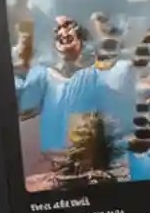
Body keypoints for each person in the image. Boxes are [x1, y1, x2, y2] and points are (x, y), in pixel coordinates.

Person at [16, 16, 106, 155]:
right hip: (53, 159)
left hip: (89, 156)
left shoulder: (96, 75)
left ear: (81, 38)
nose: (63, 32)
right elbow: (24, 108)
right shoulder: (42, 75)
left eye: (68, 27)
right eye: (58, 29)